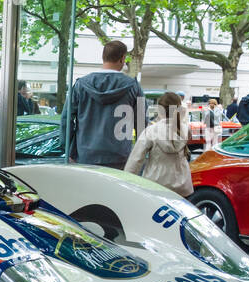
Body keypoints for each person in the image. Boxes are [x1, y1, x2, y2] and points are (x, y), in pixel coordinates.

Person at [65, 40, 144, 169]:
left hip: (86, 155)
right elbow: (141, 123)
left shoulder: (80, 85)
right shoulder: (134, 87)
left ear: (103, 57)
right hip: (120, 157)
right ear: (122, 58)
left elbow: (66, 119)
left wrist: (68, 149)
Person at [125, 92, 191, 197]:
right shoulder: (186, 130)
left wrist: (126, 183)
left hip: (155, 185)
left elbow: (135, 161)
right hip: (182, 186)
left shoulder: (151, 131)